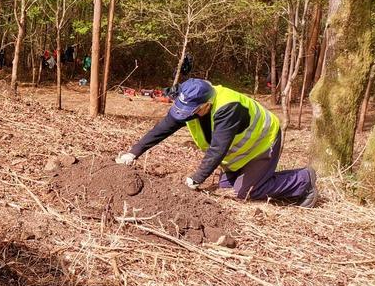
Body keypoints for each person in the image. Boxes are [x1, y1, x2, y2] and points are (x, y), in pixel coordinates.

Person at [116, 78, 318, 207]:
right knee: (224, 189)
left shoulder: (228, 109)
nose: (186, 116)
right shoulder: (189, 102)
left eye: (191, 112)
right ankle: (265, 179)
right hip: (241, 154)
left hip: (263, 143)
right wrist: (133, 153)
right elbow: (163, 128)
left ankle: (303, 180)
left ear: (207, 105)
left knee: (244, 193)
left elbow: (218, 149)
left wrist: (195, 179)